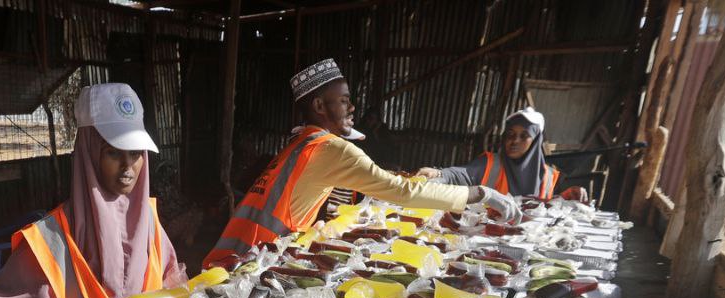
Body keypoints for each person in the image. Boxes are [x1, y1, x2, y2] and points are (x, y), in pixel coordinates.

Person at [203, 58, 518, 268]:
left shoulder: (302, 143)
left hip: (232, 257)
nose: (352, 106)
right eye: (343, 99)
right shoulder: (333, 149)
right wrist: (479, 194)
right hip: (250, 263)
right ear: (318, 106)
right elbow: (400, 192)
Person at [0, 83, 187, 298]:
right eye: (113, 152)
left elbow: (172, 287)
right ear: (88, 154)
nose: (128, 166)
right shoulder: (50, 240)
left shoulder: (151, 227)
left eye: (136, 154)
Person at [416, 108, 588, 202]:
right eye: (510, 134)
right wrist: (438, 173)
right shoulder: (490, 163)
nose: (514, 141)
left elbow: (552, 206)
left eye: (524, 136)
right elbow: (460, 174)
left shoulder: (550, 176)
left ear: (535, 141)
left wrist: (567, 196)